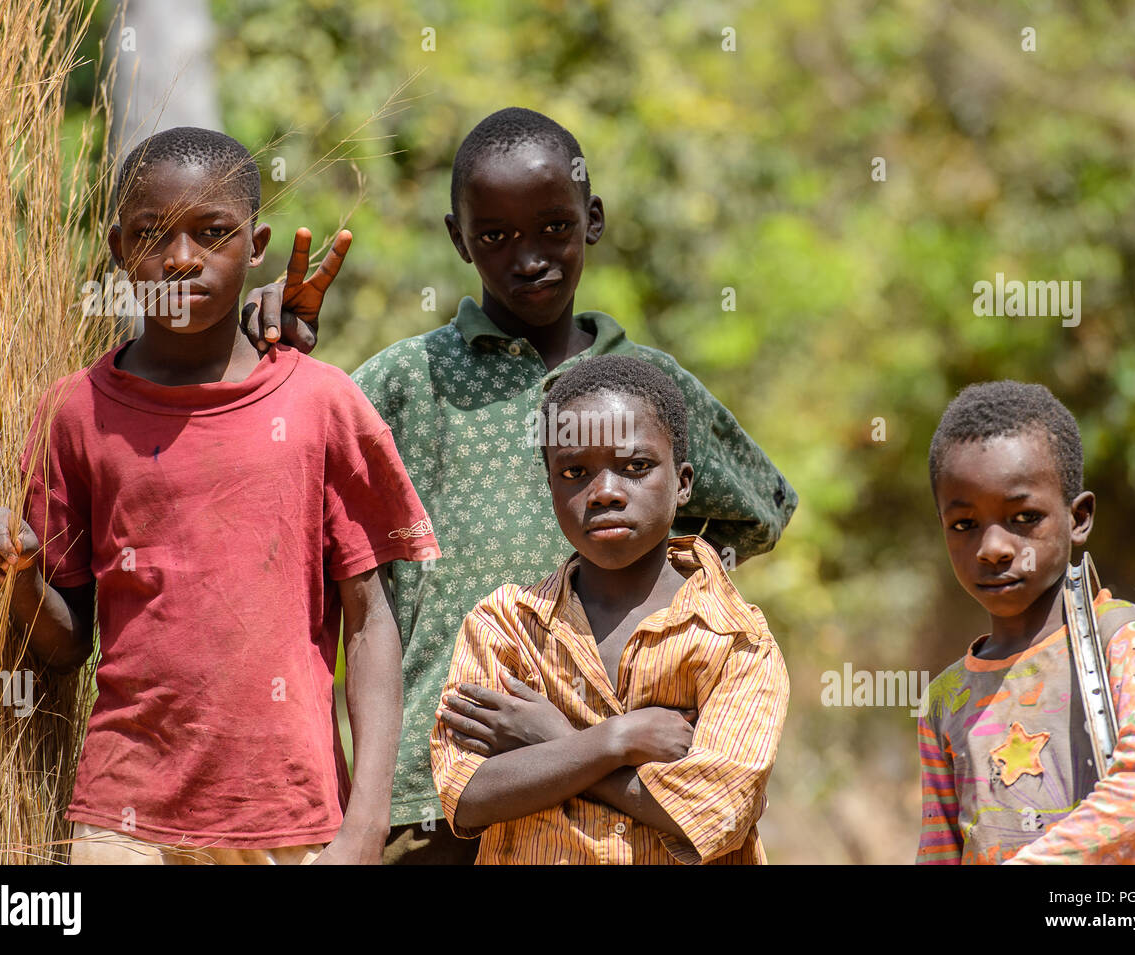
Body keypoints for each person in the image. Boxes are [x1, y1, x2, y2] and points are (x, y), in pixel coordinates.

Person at [245, 107, 797, 863]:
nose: (528, 256)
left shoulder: (648, 386)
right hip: (440, 790)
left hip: (629, 790)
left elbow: (758, 509)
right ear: (456, 238)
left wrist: (668, 624)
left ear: (591, 219)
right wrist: (270, 363)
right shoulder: (410, 381)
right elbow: (280, 500)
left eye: (552, 228)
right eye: (496, 236)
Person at [0, 127, 439, 864]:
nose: (182, 259)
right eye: (153, 234)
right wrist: (19, 574)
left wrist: (364, 824)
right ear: (118, 246)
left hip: (289, 819)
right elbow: (65, 644)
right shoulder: (74, 411)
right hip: (124, 823)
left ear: (256, 245)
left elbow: (370, 619)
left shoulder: (321, 403)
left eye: (213, 233)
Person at [429, 355, 788, 864]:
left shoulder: (736, 640)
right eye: (575, 472)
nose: (605, 493)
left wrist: (553, 741)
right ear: (551, 486)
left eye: (636, 467)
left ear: (683, 482)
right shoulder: (504, 625)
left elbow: (716, 813)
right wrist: (614, 742)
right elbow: (467, 796)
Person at [916, 381, 1135, 864]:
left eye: (1023, 516)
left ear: (1078, 518)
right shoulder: (944, 700)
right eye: (964, 525)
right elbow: (939, 851)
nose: (993, 548)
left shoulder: (1119, 637)